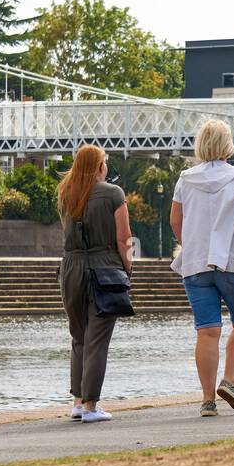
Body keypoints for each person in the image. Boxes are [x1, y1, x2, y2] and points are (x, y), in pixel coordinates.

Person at [170, 118, 234, 416]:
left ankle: (208, 401)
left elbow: (175, 221)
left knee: (207, 331)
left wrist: (193, 244)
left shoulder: (185, 178)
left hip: (195, 264)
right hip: (232, 261)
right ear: (227, 145)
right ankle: (231, 381)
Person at [57, 144, 133, 423]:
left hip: (71, 268)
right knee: (97, 340)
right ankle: (91, 407)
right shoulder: (114, 194)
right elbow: (124, 238)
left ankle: (77, 402)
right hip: (104, 268)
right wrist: (127, 268)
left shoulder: (66, 192)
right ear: (99, 166)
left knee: (79, 337)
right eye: (105, 163)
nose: (107, 168)